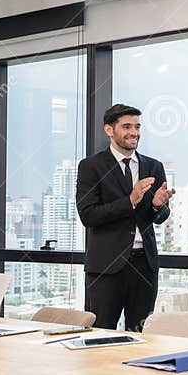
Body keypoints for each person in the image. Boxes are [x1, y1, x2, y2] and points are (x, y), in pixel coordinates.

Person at [76, 103, 175, 332]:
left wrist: (158, 205)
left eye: (138, 127)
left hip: (144, 265)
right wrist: (130, 200)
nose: (134, 132)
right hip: (106, 267)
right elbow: (88, 215)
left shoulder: (153, 166)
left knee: (141, 336)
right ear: (109, 130)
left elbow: (159, 217)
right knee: (98, 333)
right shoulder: (91, 166)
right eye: (127, 126)